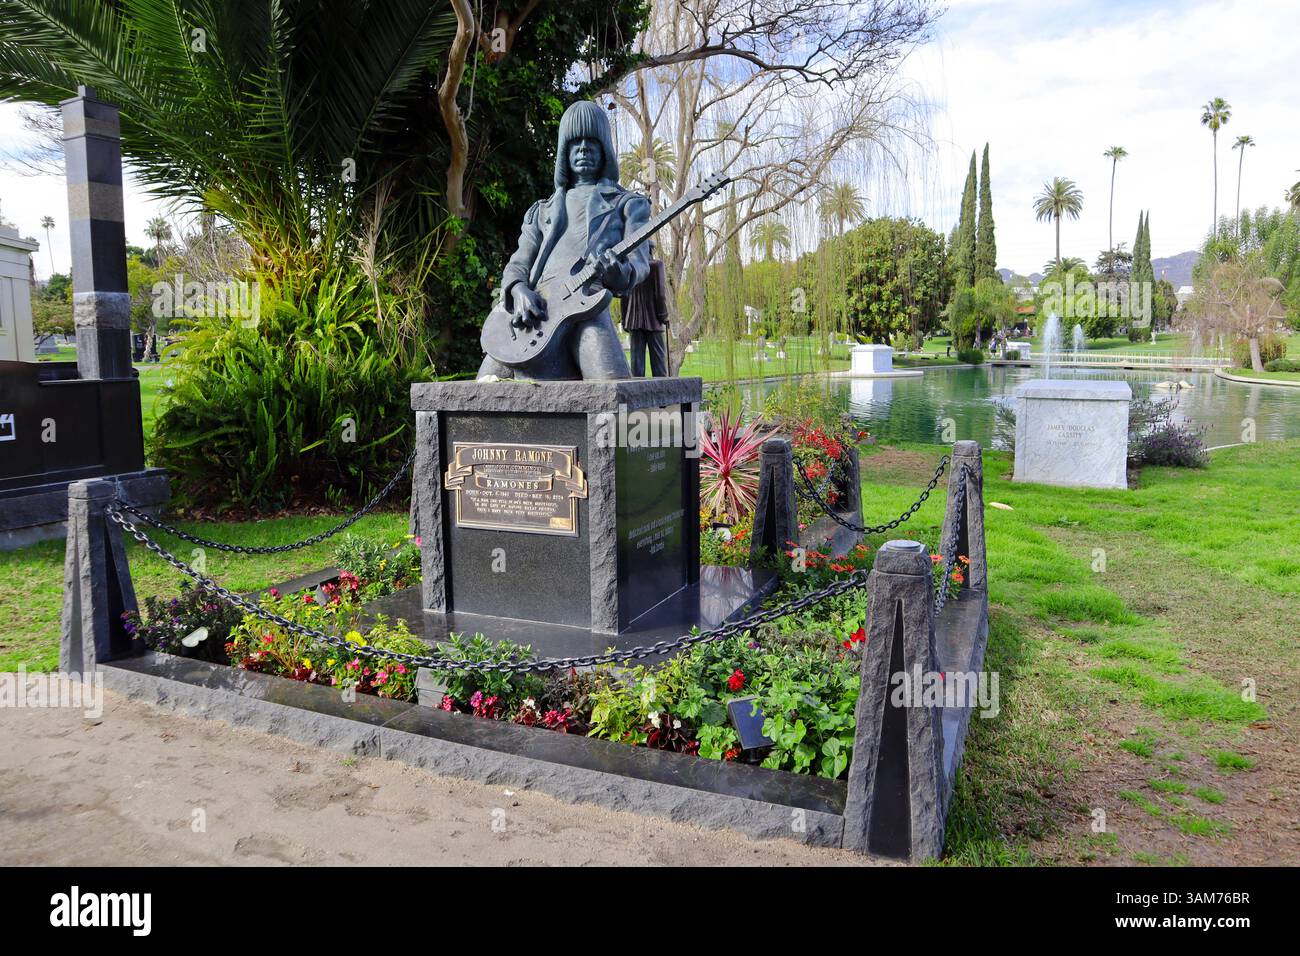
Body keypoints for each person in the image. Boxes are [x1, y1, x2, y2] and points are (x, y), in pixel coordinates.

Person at [477, 100, 650, 381]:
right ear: (564, 151)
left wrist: (619, 273)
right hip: (533, 314)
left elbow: (639, 264)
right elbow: (519, 262)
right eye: (575, 142)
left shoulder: (628, 205)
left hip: (587, 309)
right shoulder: (541, 210)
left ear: (604, 149)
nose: (583, 148)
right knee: (482, 391)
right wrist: (519, 290)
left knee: (613, 396)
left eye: (591, 141)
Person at [621, 238, 670, 377]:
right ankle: (662, 394)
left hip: (633, 321)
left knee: (636, 363)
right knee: (658, 360)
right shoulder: (656, 266)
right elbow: (660, 295)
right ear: (650, 250)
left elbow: (624, 296)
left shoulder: (630, 268)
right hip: (653, 320)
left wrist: (625, 320)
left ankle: (636, 393)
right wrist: (664, 316)